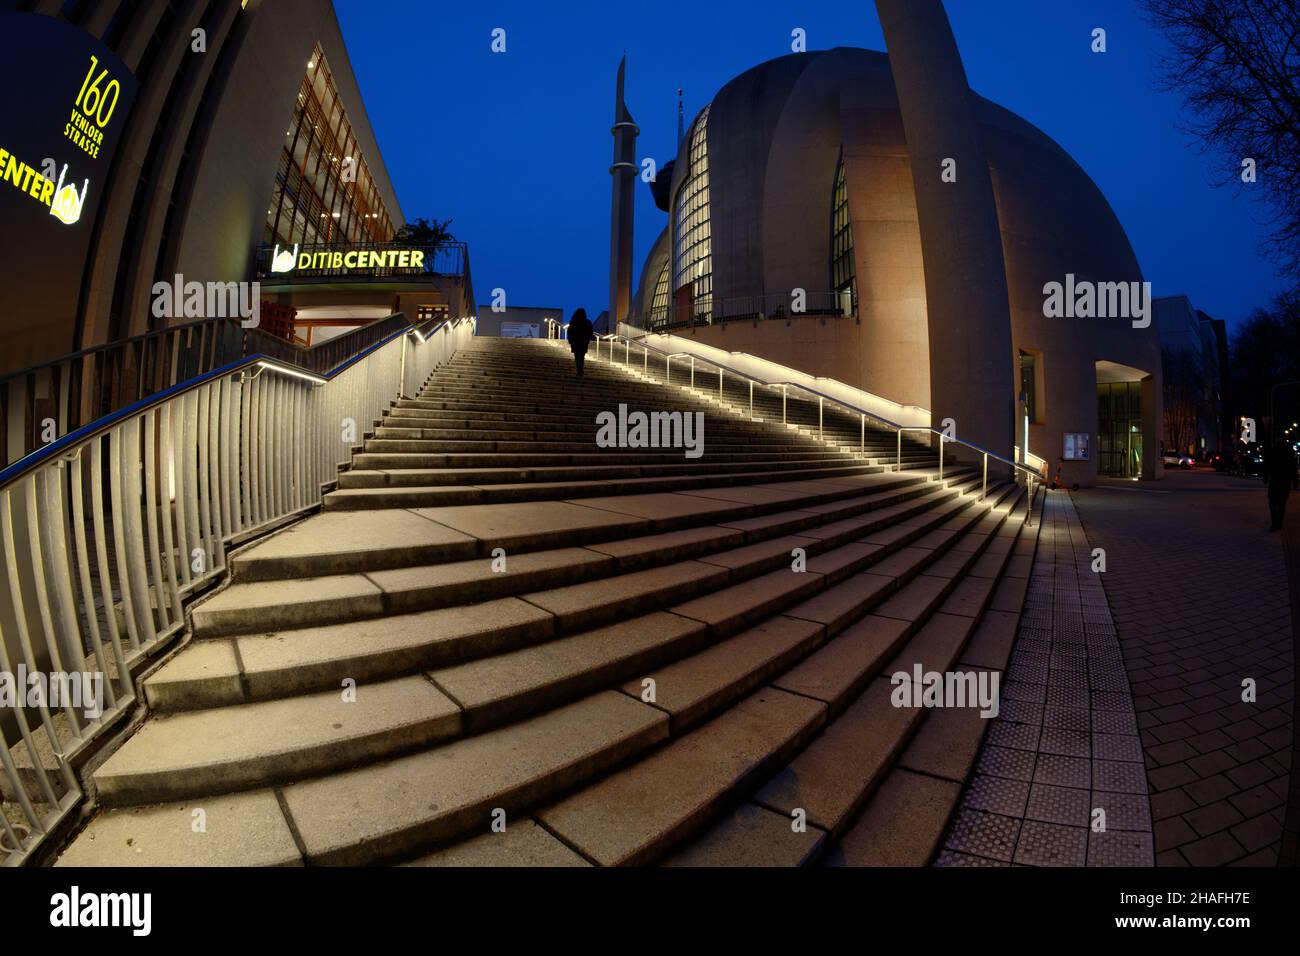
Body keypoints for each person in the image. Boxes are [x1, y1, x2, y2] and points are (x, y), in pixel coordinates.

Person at [1266, 438, 1299, 531]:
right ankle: (1279, 521)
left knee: (1272, 501)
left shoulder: (1272, 451)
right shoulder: (1290, 453)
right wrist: (1296, 483)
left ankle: (1275, 522)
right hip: (1286, 481)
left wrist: (1265, 478)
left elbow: (1267, 465)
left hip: (1274, 481)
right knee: (1282, 503)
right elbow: (1294, 470)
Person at [567, 307, 594, 377]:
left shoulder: (573, 321)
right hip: (583, 342)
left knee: (576, 356)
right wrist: (588, 339)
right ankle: (580, 370)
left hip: (575, 341)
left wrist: (570, 340)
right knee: (581, 356)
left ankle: (579, 370)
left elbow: (569, 332)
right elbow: (590, 332)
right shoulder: (588, 322)